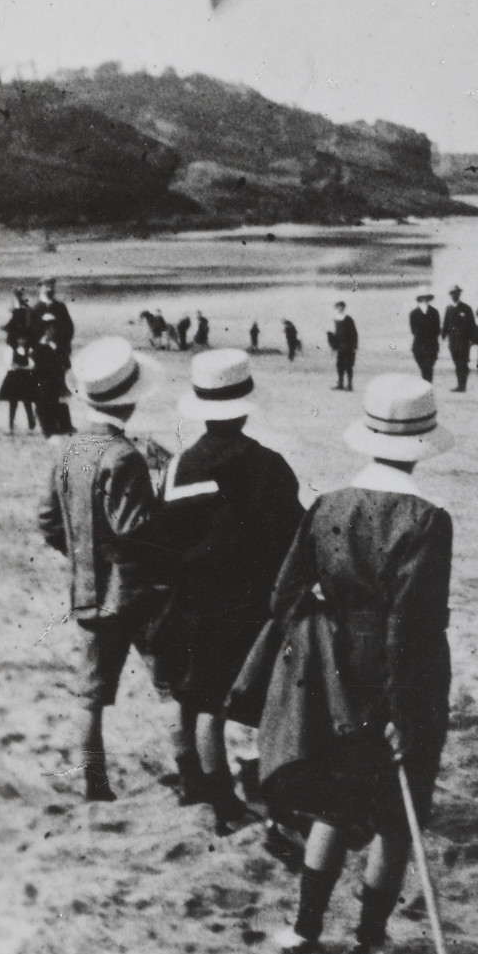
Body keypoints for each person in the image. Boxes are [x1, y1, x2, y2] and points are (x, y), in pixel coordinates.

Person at [251, 375, 454, 954]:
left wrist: (330, 631)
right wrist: (402, 707)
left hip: (336, 675)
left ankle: (306, 928)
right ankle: (368, 937)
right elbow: (413, 626)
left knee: (336, 806)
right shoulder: (427, 519)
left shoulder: (327, 505)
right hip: (401, 675)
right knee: (395, 817)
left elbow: (284, 596)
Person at [152, 350, 303, 834]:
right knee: (235, 704)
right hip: (247, 605)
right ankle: (240, 797)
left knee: (196, 699)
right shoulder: (269, 467)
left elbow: (164, 538)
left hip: (193, 602)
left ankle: (206, 788)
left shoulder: (180, 468)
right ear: (243, 409)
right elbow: (291, 539)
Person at [36, 337, 169, 801]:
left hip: (90, 591)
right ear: (129, 402)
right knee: (170, 683)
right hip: (137, 593)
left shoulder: (68, 450)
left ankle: (93, 780)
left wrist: (82, 556)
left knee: (90, 694)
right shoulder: (124, 456)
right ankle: (192, 771)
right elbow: (136, 532)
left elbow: (49, 521)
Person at [31, 320, 73, 436]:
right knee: (44, 403)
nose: (52, 332)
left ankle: (58, 426)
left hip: (56, 378)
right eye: (49, 329)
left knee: (55, 402)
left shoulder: (57, 345)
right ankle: (48, 428)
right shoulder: (39, 346)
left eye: (53, 329)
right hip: (43, 378)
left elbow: (65, 362)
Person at [0, 332, 39, 433]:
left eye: (24, 339)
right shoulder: (11, 350)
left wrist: (20, 367)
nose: (22, 341)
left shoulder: (29, 350)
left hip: (26, 379)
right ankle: (11, 426)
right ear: (15, 340)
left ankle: (31, 426)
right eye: (19, 339)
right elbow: (9, 365)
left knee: (27, 402)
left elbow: (32, 365)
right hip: (14, 379)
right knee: (13, 402)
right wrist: (20, 367)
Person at [441, 286, 477, 393]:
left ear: (459, 294)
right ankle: (459, 384)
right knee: (457, 363)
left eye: (456, 293)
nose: (454, 295)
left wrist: (473, 339)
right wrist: (442, 337)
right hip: (453, 341)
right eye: (452, 293)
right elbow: (446, 324)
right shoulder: (448, 309)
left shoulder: (466, 308)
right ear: (450, 295)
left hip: (464, 341)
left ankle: (462, 385)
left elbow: (472, 325)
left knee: (463, 363)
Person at [30, 279, 75, 361]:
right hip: (39, 352)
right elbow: (30, 330)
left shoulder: (60, 307)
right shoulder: (35, 309)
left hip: (58, 352)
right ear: (40, 288)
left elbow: (69, 328)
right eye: (47, 286)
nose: (50, 289)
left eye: (52, 286)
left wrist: (62, 345)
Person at [408, 291, 441, 383]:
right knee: (423, 367)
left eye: (427, 298)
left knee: (429, 367)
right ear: (420, 298)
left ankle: (427, 385)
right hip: (419, 346)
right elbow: (413, 330)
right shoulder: (414, 313)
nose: (425, 300)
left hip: (432, 345)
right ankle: (426, 384)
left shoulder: (434, 312)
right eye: (423, 297)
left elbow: (437, 329)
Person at [328, 302, 359, 391]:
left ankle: (349, 385)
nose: (339, 309)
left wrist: (354, 345)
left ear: (344, 308)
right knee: (339, 366)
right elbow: (333, 333)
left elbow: (354, 333)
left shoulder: (348, 319)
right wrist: (333, 345)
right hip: (340, 346)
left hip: (348, 346)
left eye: (341, 307)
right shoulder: (335, 319)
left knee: (348, 366)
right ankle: (340, 384)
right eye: (337, 307)